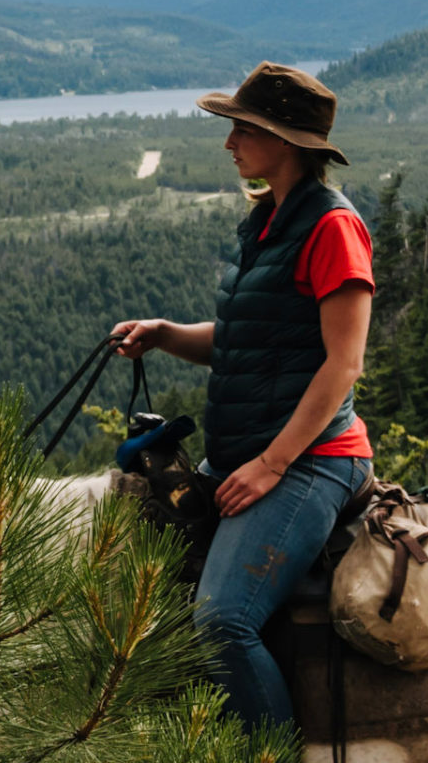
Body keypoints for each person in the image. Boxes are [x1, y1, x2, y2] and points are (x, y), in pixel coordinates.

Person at [112, 61, 375, 730]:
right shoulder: (268, 221)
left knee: (222, 623)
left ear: (283, 141)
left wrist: (272, 463)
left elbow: (342, 366)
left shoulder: (331, 228)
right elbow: (243, 339)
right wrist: (168, 334)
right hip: (244, 451)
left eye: (241, 129)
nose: (229, 142)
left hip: (313, 460)